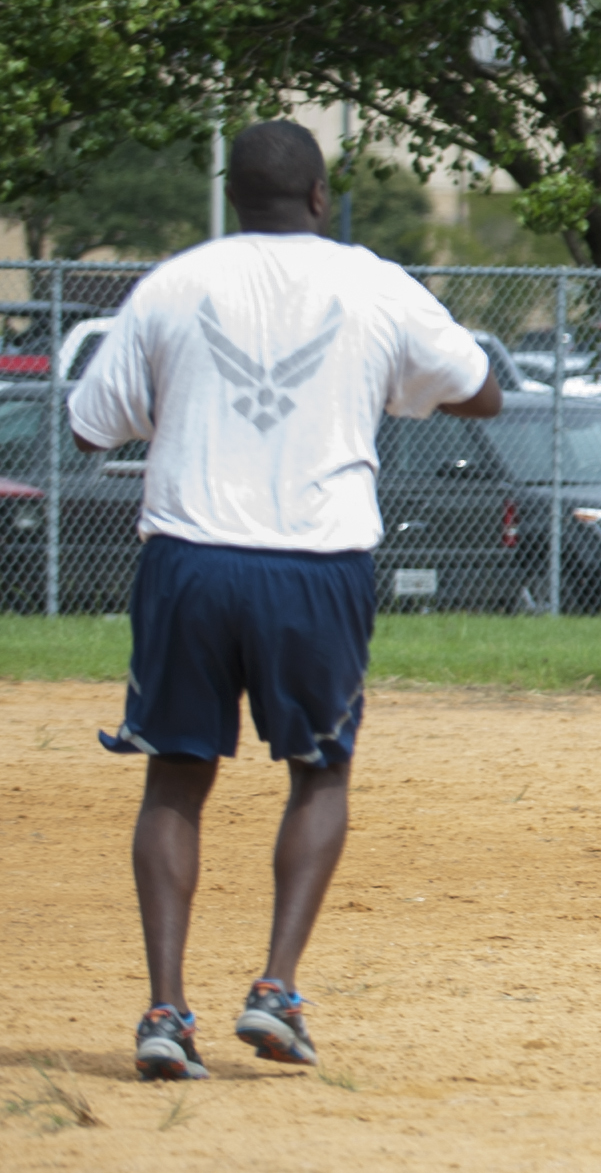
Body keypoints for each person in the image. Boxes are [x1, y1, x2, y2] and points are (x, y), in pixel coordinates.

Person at [71, 121, 500, 1082]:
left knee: (175, 778)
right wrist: (381, 380)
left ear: (234, 202)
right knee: (319, 773)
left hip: (189, 556)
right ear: (318, 197)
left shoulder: (174, 283)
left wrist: (180, 397)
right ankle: (274, 989)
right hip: (316, 562)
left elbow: (89, 425)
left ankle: (164, 1012)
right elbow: (482, 391)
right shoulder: (373, 281)